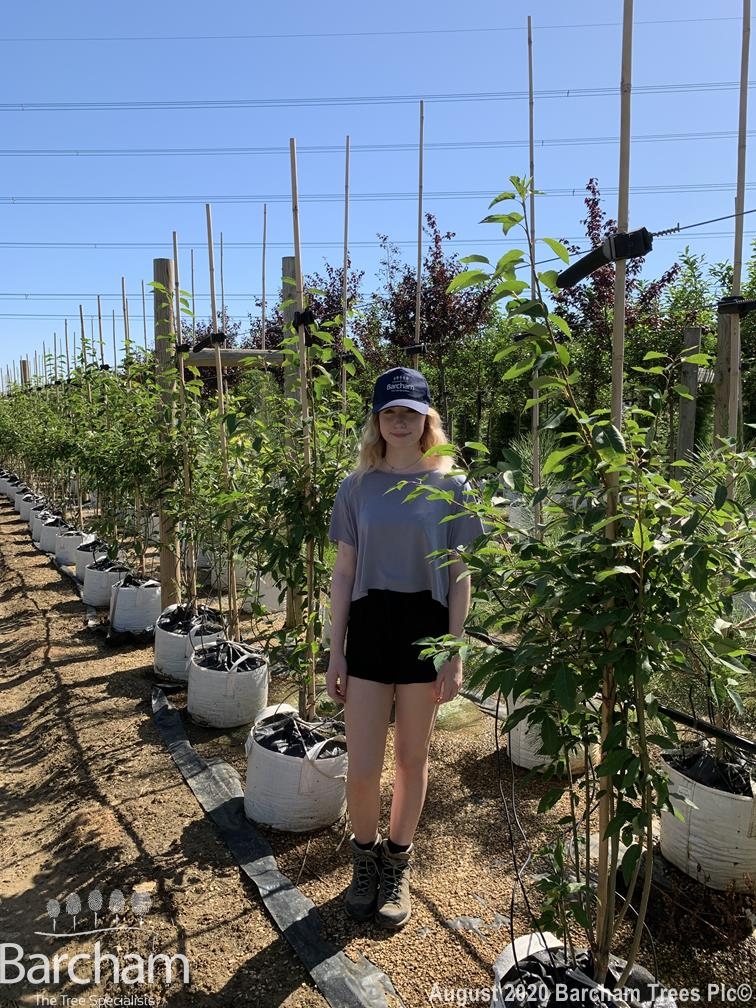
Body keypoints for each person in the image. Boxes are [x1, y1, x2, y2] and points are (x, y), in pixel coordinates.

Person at [326, 366, 483, 929]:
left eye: (409, 413)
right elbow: (344, 571)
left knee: (412, 759)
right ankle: (363, 860)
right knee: (363, 766)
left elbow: (461, 574)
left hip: (426, 625)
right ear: (376, 419)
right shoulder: (357, 486)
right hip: (368, 624)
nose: (398, 422)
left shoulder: (452, 485)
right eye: (389, 412)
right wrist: (335, 649)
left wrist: (454, 649)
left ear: (426, 420)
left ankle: (398, 862)